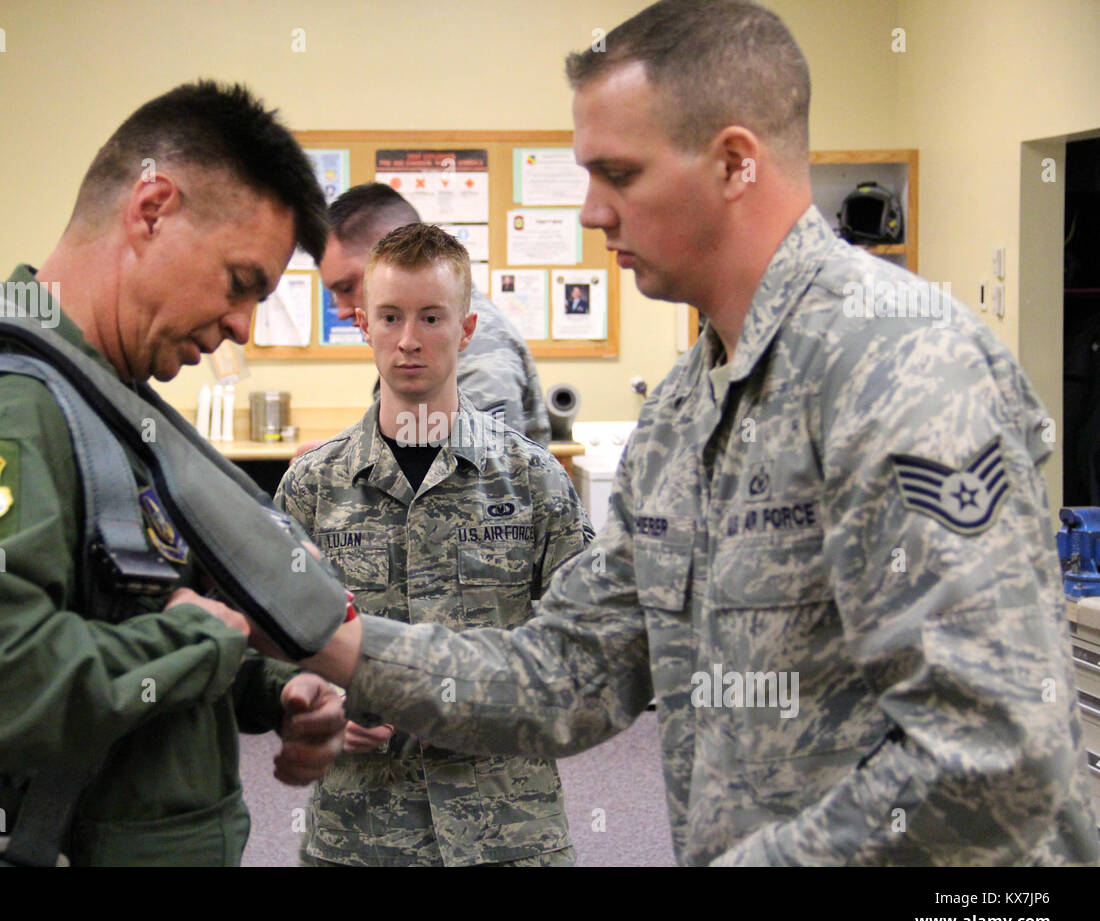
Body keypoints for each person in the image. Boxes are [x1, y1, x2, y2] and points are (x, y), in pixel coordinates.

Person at [284, 0, 1100, 865]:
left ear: (735, 163)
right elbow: (569, 671)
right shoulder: (684, 411)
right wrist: (335, 638)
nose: (592, 213)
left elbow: (997, 756)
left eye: (619, 175)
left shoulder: (899, 365)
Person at [0, 81, 347, 866]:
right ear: (150, 208)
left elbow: (112, 614)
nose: (242, 325)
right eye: (240, 282)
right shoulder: (14, 412)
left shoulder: (109, 410)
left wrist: (260, 685)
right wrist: (190, 645)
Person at [276, 223, 592, 866]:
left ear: (467, 330)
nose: (409, 340)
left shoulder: (533, 480)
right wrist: (323, 702)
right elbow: (269, 641)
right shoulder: (314, 486)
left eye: (431, 317)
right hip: (361, 833)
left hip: (508, 830)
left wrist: (456, 697)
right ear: (363, 324)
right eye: (390, 317)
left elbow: (584, 649)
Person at [319, 183, 552, 444]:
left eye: (347, 287)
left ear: (395, 253)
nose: (340, 311)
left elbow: (476, 475)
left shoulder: (479, 350)